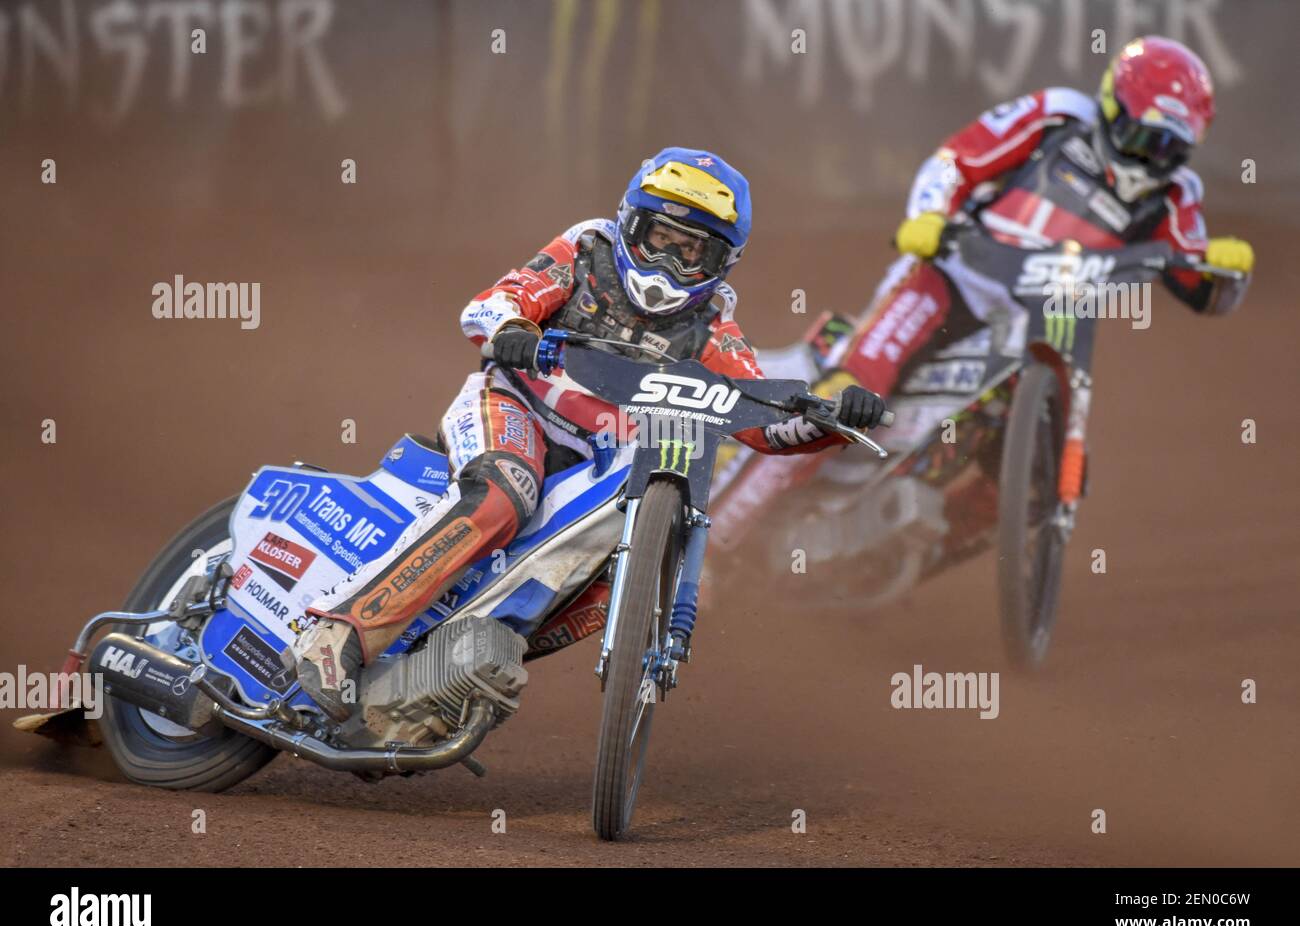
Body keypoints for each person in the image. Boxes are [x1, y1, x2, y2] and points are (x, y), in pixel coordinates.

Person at [289, 147, 888, 720]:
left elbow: (757, 416)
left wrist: (831, 421)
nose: (667, 266)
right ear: (632, 225)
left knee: (619, 580)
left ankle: (448, 674)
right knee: (507, 490)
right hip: (514, 403)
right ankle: (340, 634)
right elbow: (490, 304)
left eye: (691, 253)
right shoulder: (586, 249)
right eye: (660, 240)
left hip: (602, 457)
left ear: (720, 265)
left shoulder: (711, 323)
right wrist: (515, 329)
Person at [710, 36, 1255, 549]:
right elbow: (957, 160)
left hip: (1047, 320)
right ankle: (711, 543)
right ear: (1113, 107)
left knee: (1045, 481)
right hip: (956, 276)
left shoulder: (1177, 194)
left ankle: (912, 545)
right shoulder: (1060, 115)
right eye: (1143, 138)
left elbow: (1201, 281)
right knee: (846, 392)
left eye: (1169, 149)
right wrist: (928, 216)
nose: (1149, 160)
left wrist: (1226, 273)